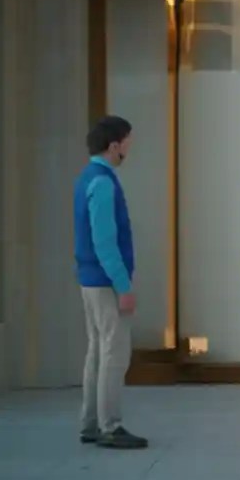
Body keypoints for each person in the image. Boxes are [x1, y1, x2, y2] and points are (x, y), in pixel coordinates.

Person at [74, 116, 148, 449]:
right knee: (114, 352)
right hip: (105, 281)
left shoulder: (86, 178)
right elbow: (105, 240)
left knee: (97, 351)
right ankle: (110, 426)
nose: (130, 147)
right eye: (128, 141)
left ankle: (90, 423)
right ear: (114, 145)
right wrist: (123, 285)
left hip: (90, 280)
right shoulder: (103, 182)